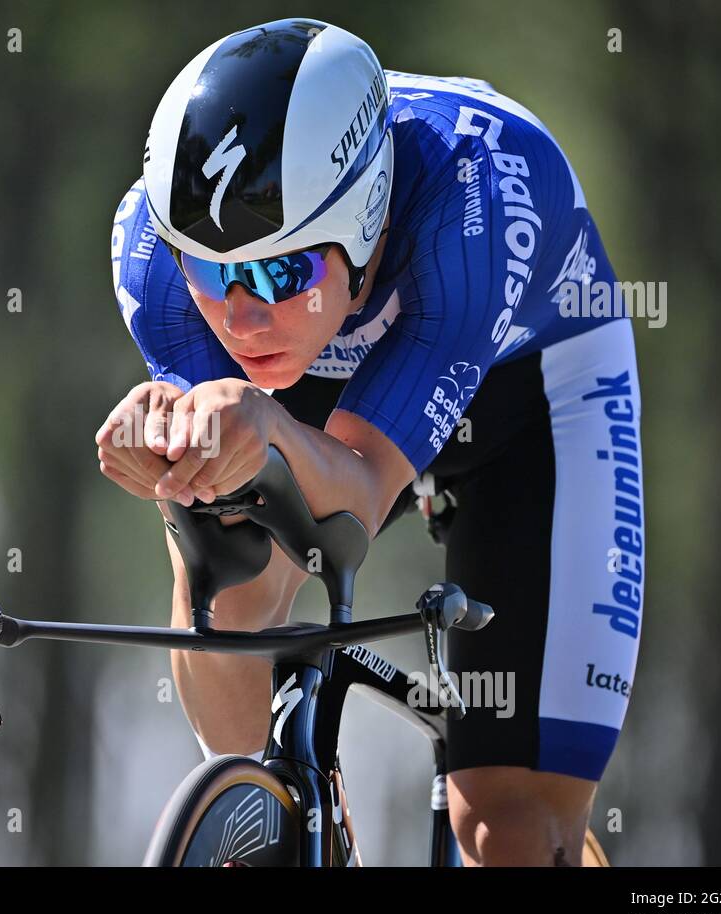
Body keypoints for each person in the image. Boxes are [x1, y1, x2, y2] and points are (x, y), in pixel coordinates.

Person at [99, 17, 644, 866]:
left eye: (279, 271)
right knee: (222, 547)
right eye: (211, 273)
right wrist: (166, 442)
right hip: (322, 367)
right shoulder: (151, 255)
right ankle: (282, 827)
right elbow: (227, 477)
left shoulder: (475, 203)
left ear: (358, 223)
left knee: (510, 831)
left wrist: (269, 426)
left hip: (530, 391)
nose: (240, 317)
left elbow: (353, 493)